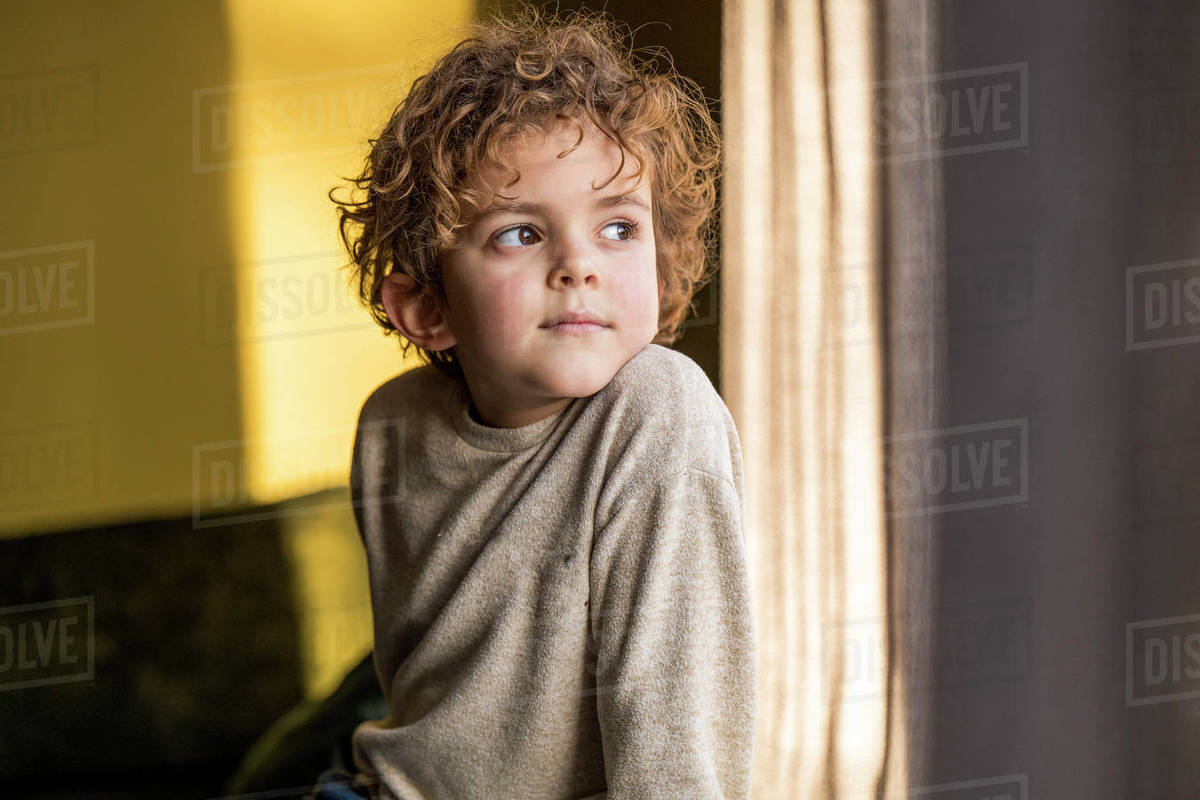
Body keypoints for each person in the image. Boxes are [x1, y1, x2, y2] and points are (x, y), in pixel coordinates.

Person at [328, 4, 754, 797]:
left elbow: (677, 750)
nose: (579, 264)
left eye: (619, 228)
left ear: (660, 269)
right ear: (427, 308)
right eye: (521, 234)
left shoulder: (660, 410)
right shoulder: (391, 426)